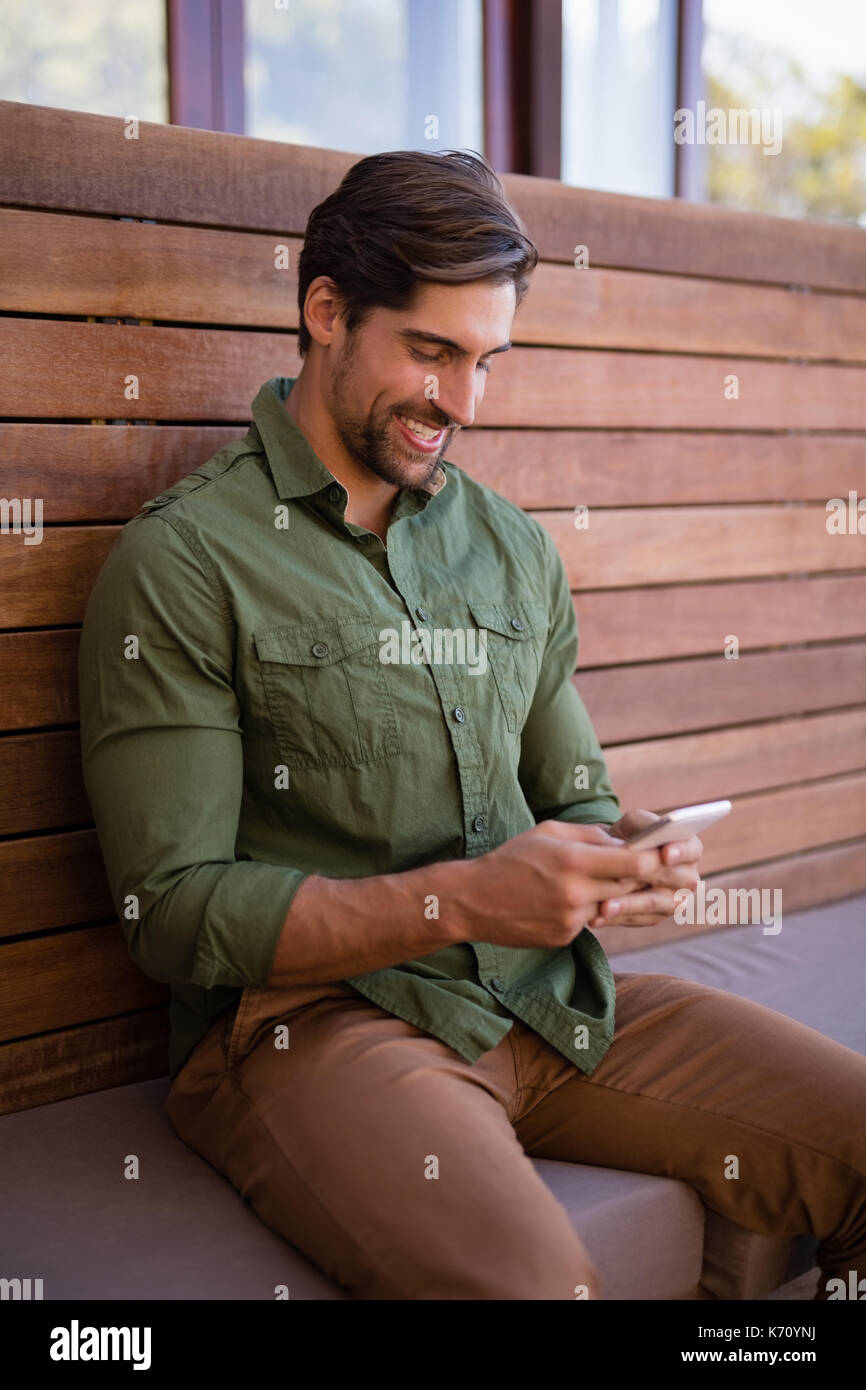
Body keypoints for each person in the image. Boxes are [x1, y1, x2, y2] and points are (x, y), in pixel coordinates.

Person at [78, 149, 866, 1301]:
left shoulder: (509, 549)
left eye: (487, 360)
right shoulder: (187, 561)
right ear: (325, 310)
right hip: (314, 1029)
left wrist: (620, 850)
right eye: (433, 352)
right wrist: (463, 897)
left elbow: (575, 789)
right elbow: (172, 908)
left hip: (539, 993)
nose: (464, 402)